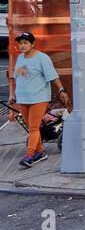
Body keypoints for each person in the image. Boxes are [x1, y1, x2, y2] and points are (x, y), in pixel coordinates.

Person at [7, 31, 69, 168]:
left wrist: (61, 90)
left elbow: (52, 76)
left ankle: (30, 155)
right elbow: (17, 78)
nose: (22, 46)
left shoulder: (42, 58)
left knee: (34, 127)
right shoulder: (20, 58)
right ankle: (40, 152)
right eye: (20, 43)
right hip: (22, 98)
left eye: (25, 43)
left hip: (38, 97)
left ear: (32, 44)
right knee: (31, 128)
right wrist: (12, 95)